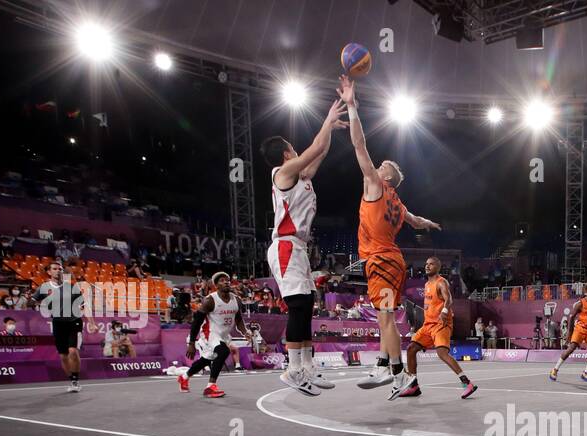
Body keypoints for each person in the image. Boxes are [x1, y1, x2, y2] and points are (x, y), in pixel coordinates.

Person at [338, 72, 442, 398]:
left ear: (387, 176)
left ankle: (399, 375)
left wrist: (352, 106)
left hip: (381, 260)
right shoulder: (399, 202)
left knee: (385, 319)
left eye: (381, 165)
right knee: (385, 316)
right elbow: (415, 221)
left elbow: (358, 143)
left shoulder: (376, 185)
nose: (377, 165)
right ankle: (384, 362)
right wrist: (431, 225)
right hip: (392, 260)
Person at [260, 98, 348, 396]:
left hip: (297, 249)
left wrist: (331, 130)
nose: (298, 151)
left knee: (307, 304)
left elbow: (317, 151)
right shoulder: (281, 173)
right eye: (293, 148)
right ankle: (293, 369)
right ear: (287, 153)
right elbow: (312, 149)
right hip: (285, 246)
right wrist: (327, 119)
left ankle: (307, 366)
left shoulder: (302, 176)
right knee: (298, 307)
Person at [394, 257, 477, 400]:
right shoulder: (426, 284)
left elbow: (448, 299)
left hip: (441, 324)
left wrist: (445, 311)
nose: (427, 266)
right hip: (428, 325)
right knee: (411, 348)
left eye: (431, 264)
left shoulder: (441, 282)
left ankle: (467, 383)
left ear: (438, 267)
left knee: (442, 353)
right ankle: (413, 386)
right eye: (426, 264)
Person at [179, 272, 248, 398]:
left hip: (223, 334)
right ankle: (210, 387)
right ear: (216, 285)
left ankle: (184, 377)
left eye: (227, 280)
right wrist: (192, 343)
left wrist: (245, 332)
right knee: (223, 352)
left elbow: (238, 320)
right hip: (209, 333)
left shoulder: (236, 300)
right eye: (222, 280)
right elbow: (197, 322)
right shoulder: (210, 301)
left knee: (206, 360)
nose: (226, 282)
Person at [35, 259, 87, 392]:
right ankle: (71, 380)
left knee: (73, 351)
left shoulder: (71, 287)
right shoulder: (44, 288)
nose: (58, 271)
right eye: (54, 269)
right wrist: (39, 304)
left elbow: (84, 305)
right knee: (63, 355)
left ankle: (76, 381)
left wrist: (91, 322)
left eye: (60, 269)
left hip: (74, 321)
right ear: (48, 272)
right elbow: (32, 301)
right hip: (58, 323)